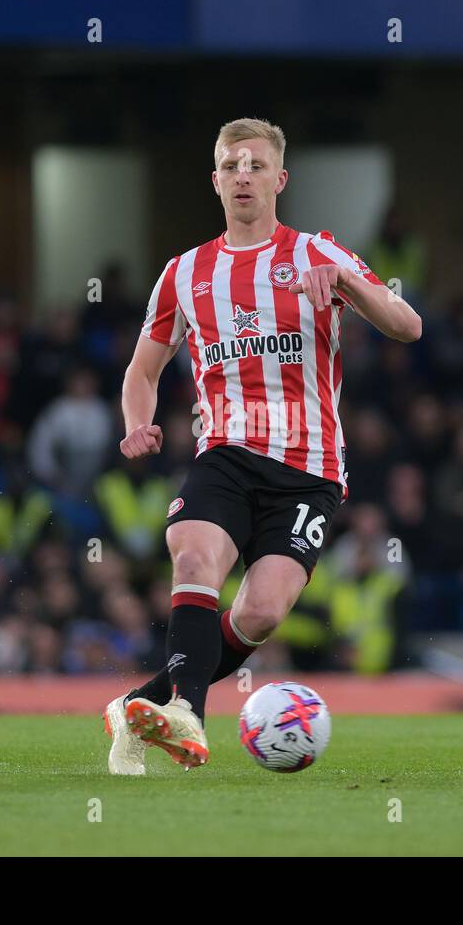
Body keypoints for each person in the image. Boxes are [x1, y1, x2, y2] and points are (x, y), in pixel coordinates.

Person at [102, 118, 421, 774]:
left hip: (311, 471)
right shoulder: (184, 273)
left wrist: (351, 287)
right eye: (230, 165)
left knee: (262, 612)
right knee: (193, 562)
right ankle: (186, 714)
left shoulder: (318, 255)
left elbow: (408, 326)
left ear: (279, 179)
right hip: (226, 454)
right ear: (215, 181)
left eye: (254, 164)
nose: (242, 175)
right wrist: (138, 420)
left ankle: (142, 705)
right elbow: (142, 370)